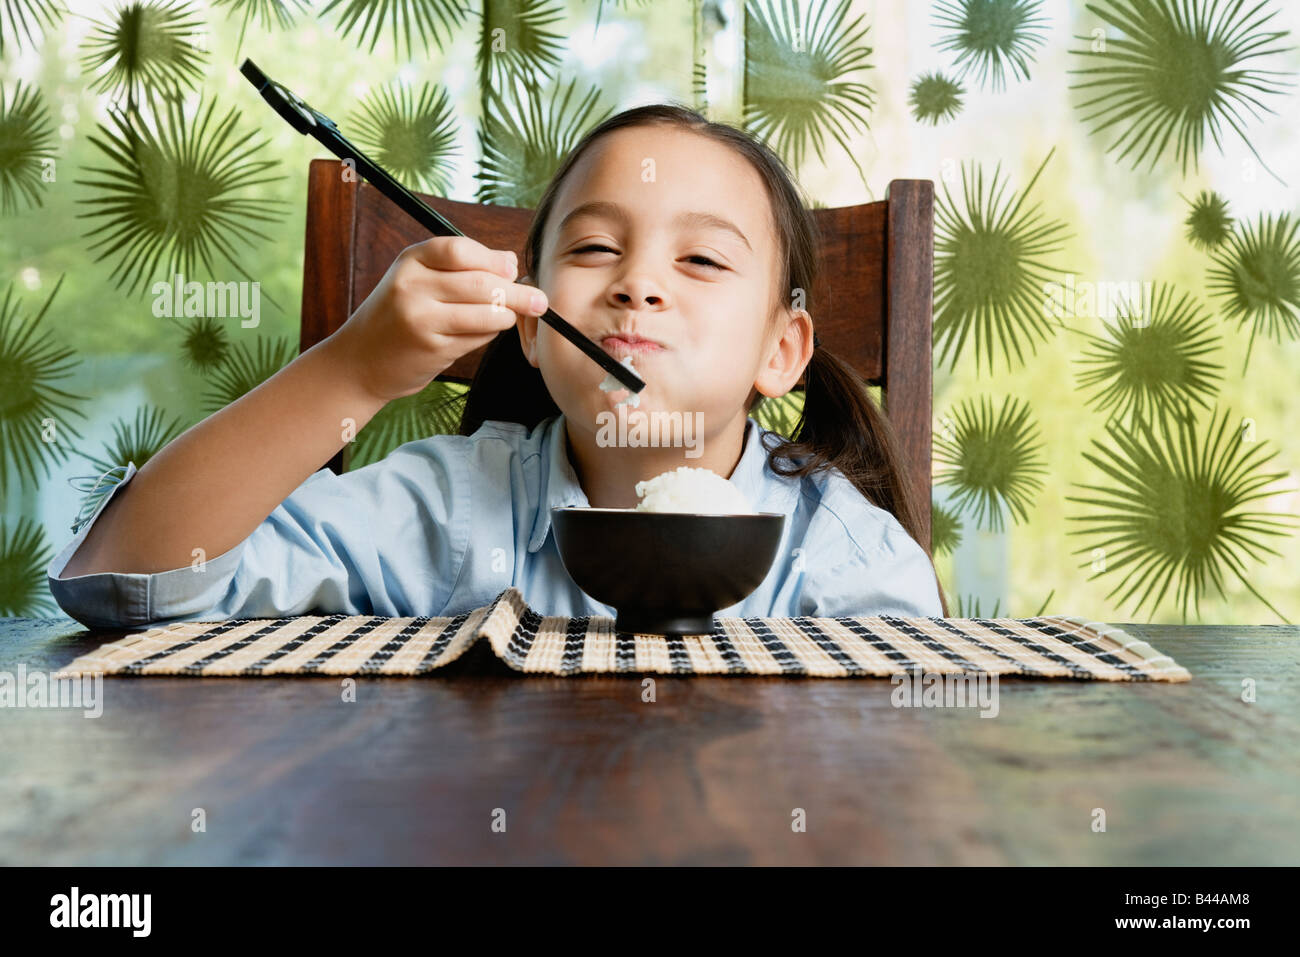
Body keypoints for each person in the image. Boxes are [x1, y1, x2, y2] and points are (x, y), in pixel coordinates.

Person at [48, 103, 949, 629]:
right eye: (595, 248)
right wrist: (352, 373)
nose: (637, 284)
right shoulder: (449, 510)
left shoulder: (839, 557)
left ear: (779, 351)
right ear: (528, 321)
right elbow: (128, 579)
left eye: (701, 260)